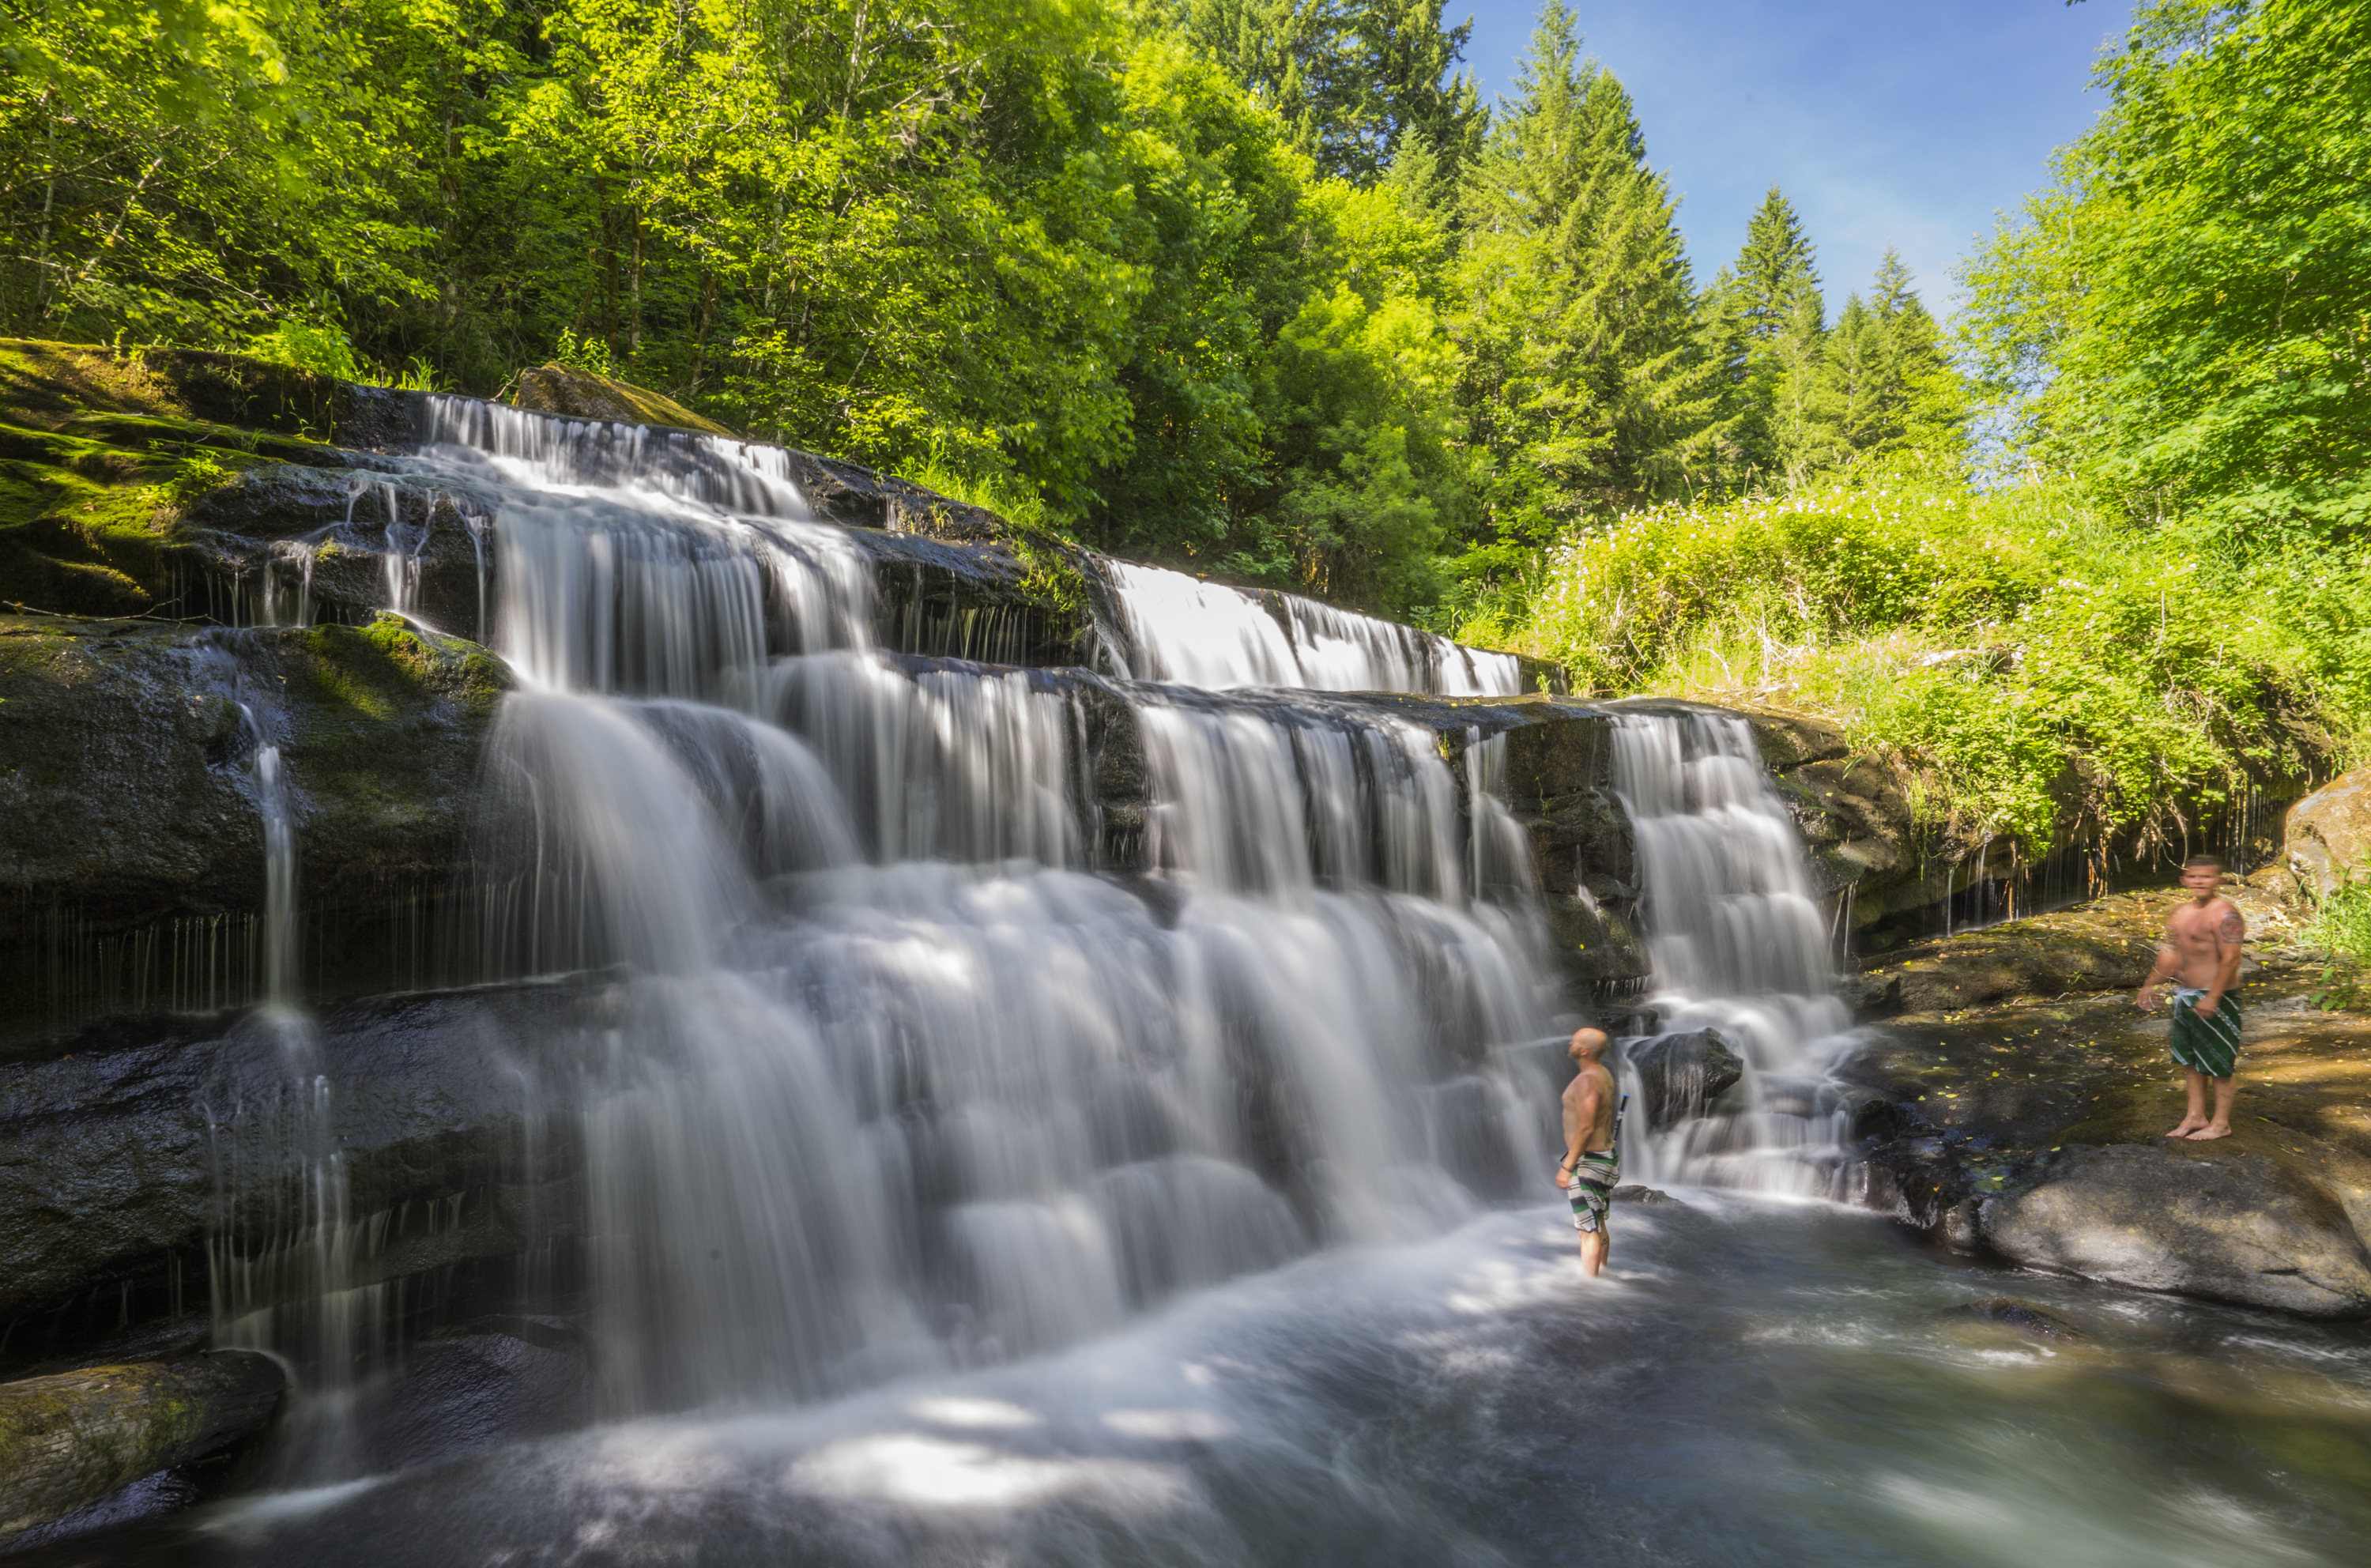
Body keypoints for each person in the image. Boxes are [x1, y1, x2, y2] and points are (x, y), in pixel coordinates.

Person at [2135, 854, 2247, 1140]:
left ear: (2219, 880)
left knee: (2219, 1063)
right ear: (2184, 880)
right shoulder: (2181, 913)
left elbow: (2231, 958)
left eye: (2206, 876)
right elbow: (2171, 953)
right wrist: (2151, 985)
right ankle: (2195, 1116)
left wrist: (2213, 997)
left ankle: (2221, 1124)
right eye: (2194, 876)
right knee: (2190, 1060)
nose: (2199, 881)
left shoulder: (2225, 914)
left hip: (2217, 997)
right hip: (2185, 995)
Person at [1555, 1027, 1620, 1276]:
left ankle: (1591, 1288)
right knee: (1599, 1222)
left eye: (1575, 1040)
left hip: (1588, 1164)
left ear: (1584, 1050)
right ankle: (1602, 1277)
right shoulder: (1603, 1074)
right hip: (1606, 1158)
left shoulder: (1587, 1081)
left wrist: (1567, 1166)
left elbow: (1586, 1126)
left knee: (1586, 1230)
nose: (1569, 1041)